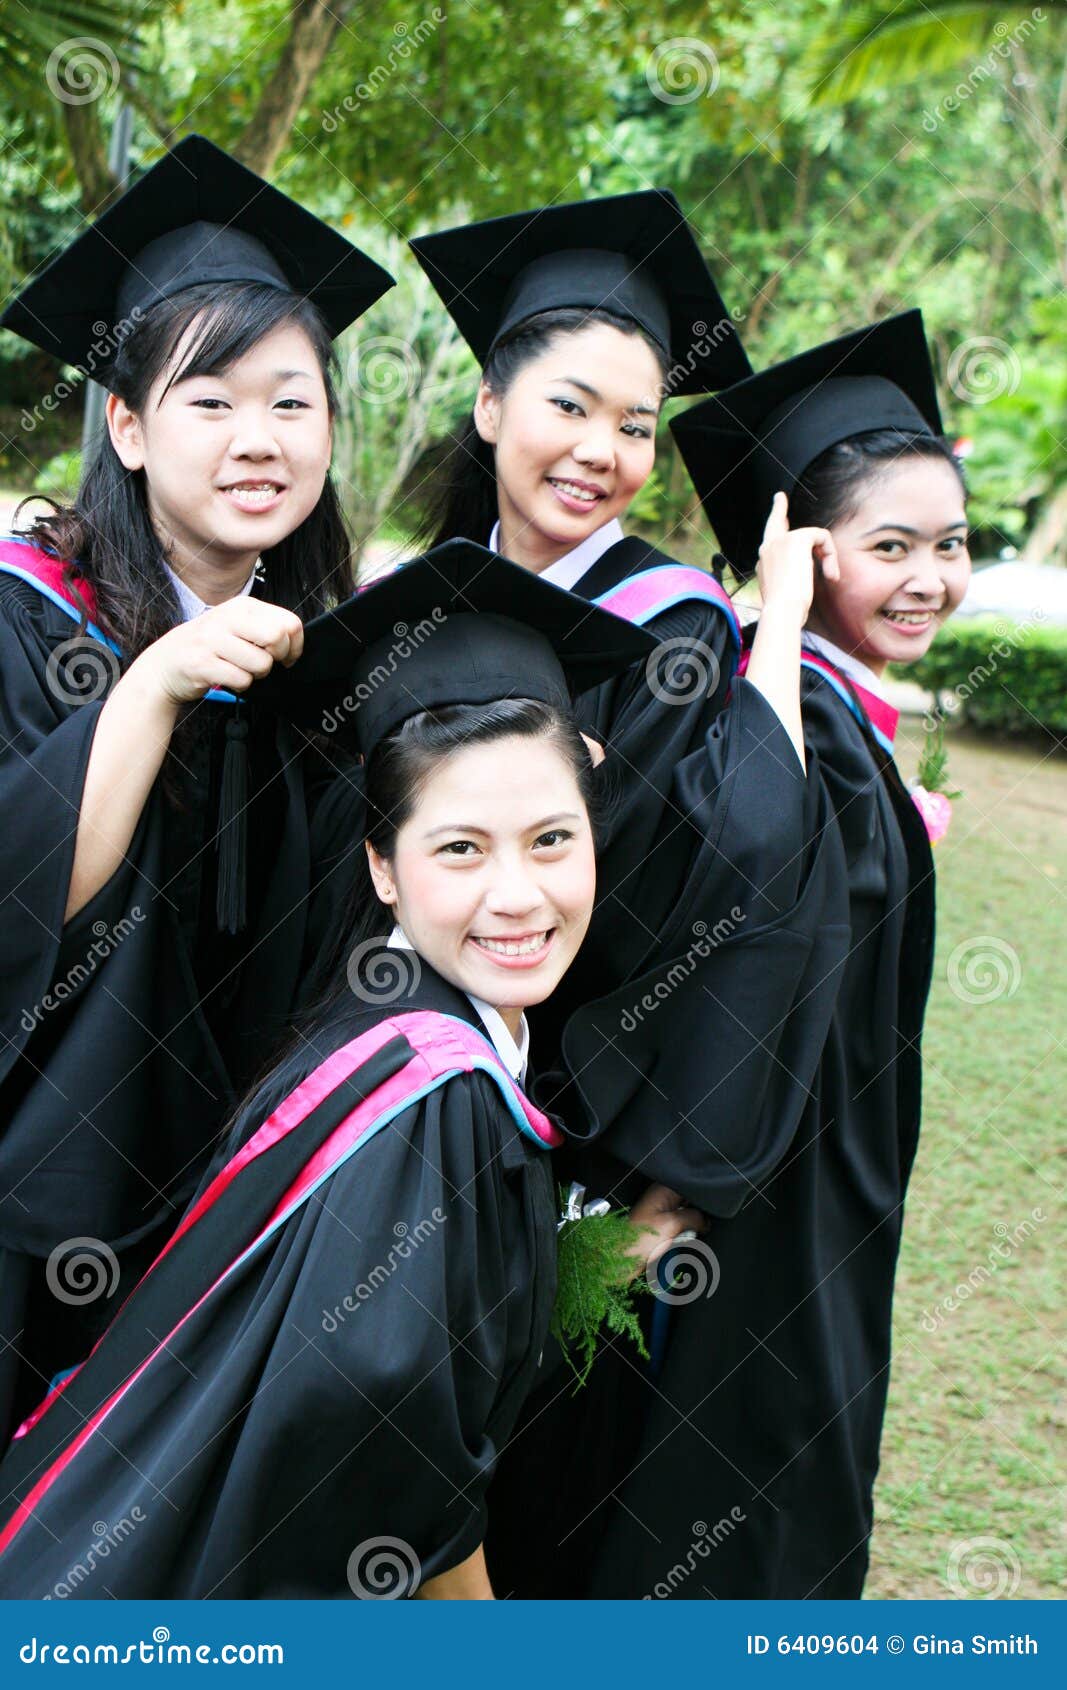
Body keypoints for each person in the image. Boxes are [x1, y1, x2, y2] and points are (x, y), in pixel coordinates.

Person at [0, 546, 702, 1599]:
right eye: (459, 849)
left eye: (552, 838)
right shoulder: (431, 1096)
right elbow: (384, 1435)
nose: (517, 895)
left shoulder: (382, 1031)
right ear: (381, 866)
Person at [407, 193, 852, 1594]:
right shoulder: (417, 595)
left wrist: (653, 1184)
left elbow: (737, 875)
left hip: (571, 1129)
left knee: (523, 1492)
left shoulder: (667, 623)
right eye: (569, 405)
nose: (601, 452)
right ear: (487, 405)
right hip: (402, 1101)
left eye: (634, 426)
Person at [0, 135, 393, 1443]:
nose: (259, 438)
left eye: (291, 402)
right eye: (209, 400)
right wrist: (156, 683)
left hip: (237, 1216)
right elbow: (22, 896)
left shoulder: (330, 662)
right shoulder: (24, 619)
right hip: (41, 1206)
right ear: (125, 422)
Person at [585, 310, 971, 1598]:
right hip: (757, 1186)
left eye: (950, 544)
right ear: (806, 552)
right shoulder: (783, 698)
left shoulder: (829, 705)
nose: (927, 575)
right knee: (731, 1499)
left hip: (821, 1170)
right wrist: (685, 1184)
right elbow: (747, 927)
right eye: (889, 547)